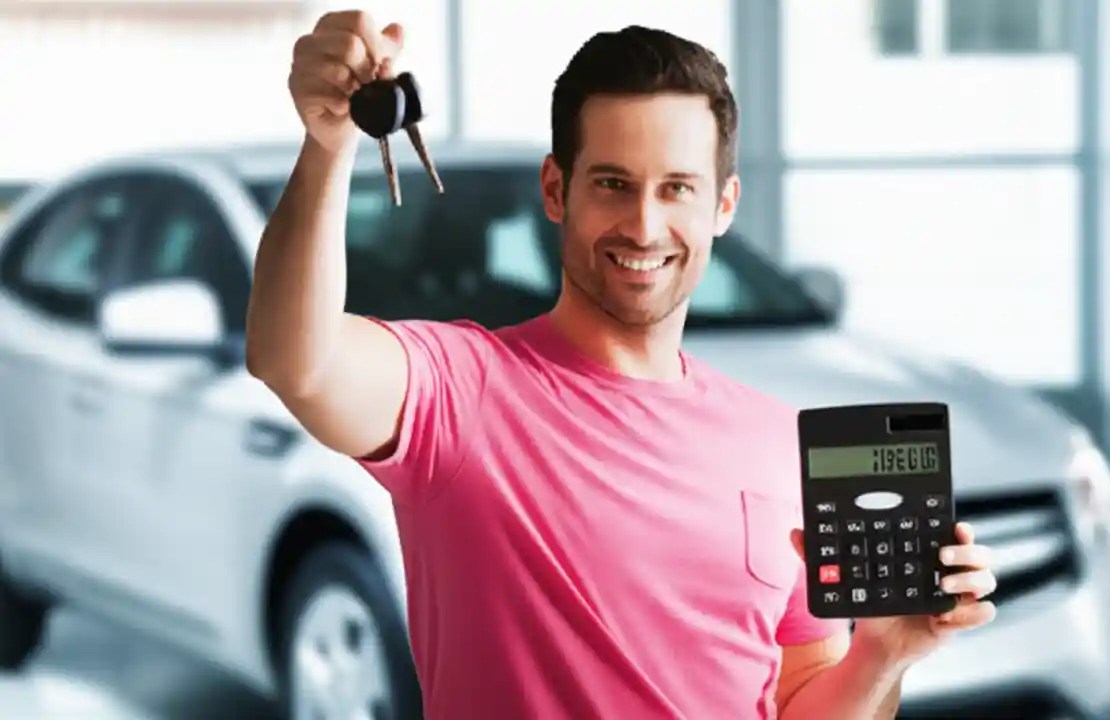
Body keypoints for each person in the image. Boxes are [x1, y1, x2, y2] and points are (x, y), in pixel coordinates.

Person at [246, 9, 998, 719]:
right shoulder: (460, 391)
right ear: (556, 190)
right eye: (613, 184)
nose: (643, 225)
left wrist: (881, 656)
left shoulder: (776, 439)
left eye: (677, 189)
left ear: (723, 205)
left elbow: (801, 697)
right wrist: (328, 145)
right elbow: (296, 359)